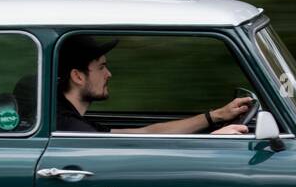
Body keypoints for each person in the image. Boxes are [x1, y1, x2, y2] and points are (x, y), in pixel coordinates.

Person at [56, 35, 252, 134]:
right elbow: (133, 157)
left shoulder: (69, 119)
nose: (109, 74)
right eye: (101, 68)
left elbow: (145, 133)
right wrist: (213, 142)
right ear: (78, 77)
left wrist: (217, 115)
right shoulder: (71, 127)